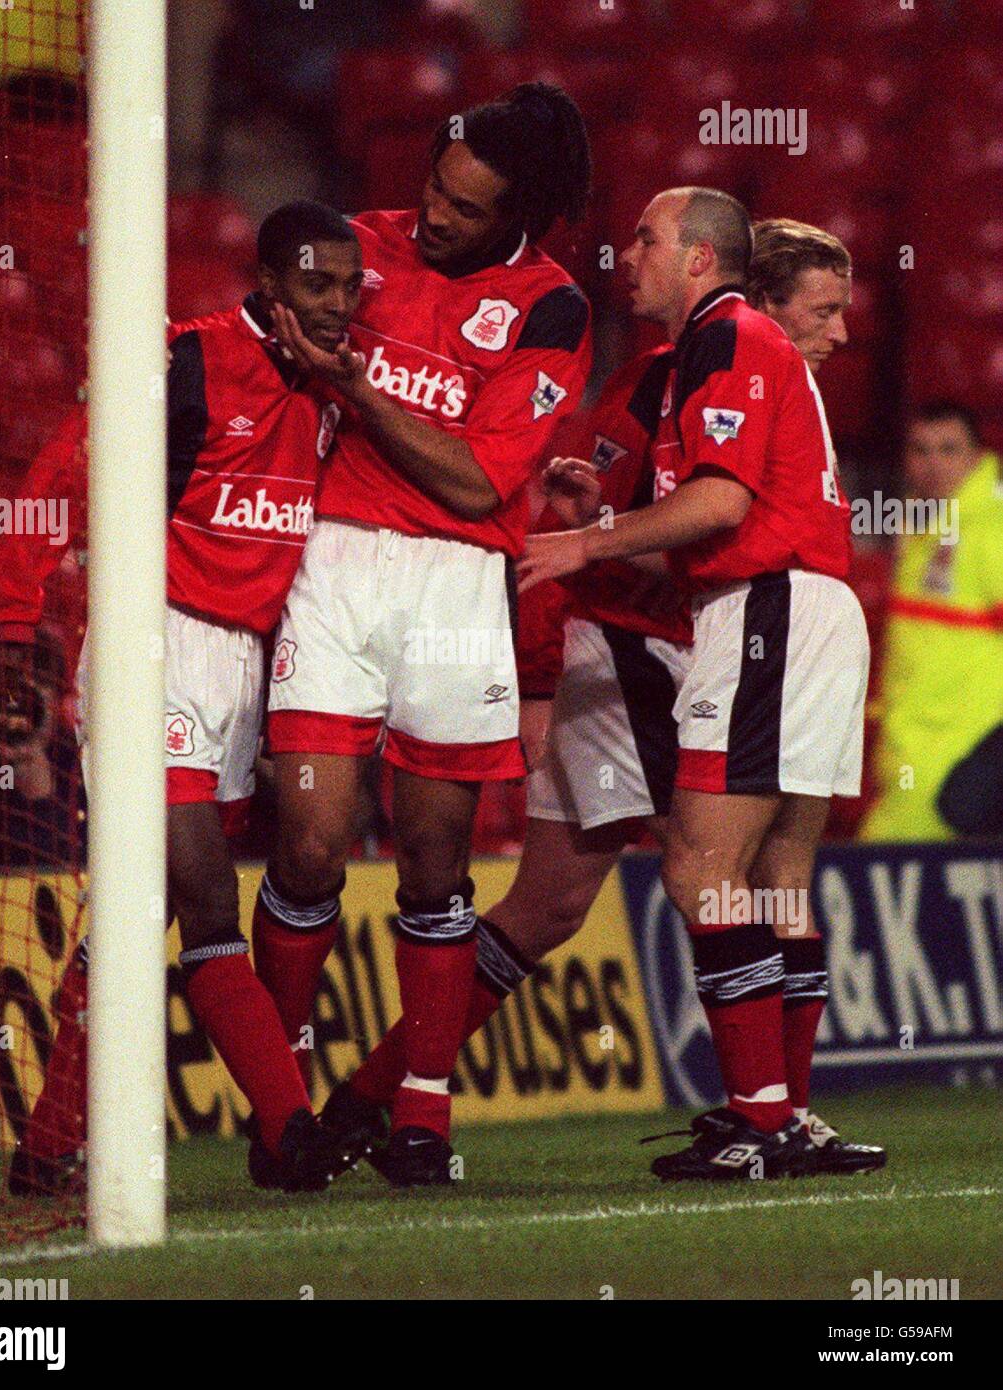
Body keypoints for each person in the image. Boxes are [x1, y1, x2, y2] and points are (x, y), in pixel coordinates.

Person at [325, 214, 883, 1176]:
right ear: (764, 300)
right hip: (637, 654)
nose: (837, 334)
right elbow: (594, 531)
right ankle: (384, 1098)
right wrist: (543, 669)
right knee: (605, 892)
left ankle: (777, 1114)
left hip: (728, 634)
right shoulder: (677, 374)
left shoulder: (754, 373)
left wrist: (602, 536)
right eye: (821, 311)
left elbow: (670, 521)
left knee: (725, 878)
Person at [0, 200, 365, 1196]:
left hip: (239, 668)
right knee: (204, 894)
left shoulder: (335, 392)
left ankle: (50, 1141)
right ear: (269, 285)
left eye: (347, 288)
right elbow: (66, 465)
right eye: (315, 285)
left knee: (139, 906)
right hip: (154, 644)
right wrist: (12, 623)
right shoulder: (188, 360)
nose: (336, 305)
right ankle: (289, 1129)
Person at [252, 83, 593, 1186]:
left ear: (520, 216)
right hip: (338, 564)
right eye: (436, 189)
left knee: (435, 864)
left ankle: (423, 1118)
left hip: (456, 587)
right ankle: (286, 1107)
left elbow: (476, 479)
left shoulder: (551, 309)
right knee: (309, 842)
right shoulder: (352, 247)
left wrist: (355, 389)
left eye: (467, 208)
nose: (436, 214)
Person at [516, 188, 877, 1181]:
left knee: (698, 873)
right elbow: (711, 522)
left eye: (647, 238)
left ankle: (759, 1124)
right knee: (777, 879)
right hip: (801, 608)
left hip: (766, 614)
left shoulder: (725, 337)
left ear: (702, 260)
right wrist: (616, 530)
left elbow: (723, 501)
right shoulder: (737, 352)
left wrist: (587, 541)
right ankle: (787, 1117)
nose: (628, 253)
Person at [860, 401, 1003, 842]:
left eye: (948, 450)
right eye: (920, 450)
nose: (933, 464)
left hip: (960, 757)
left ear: (977, 457)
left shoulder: (991, 528)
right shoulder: (923, 522)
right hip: (910, 745)